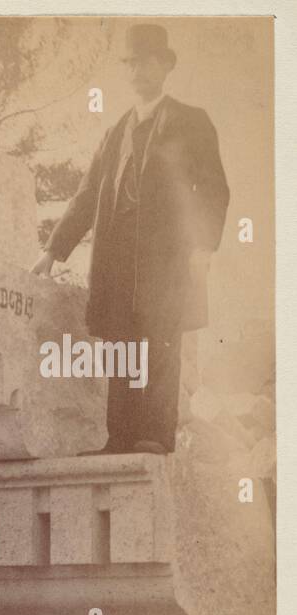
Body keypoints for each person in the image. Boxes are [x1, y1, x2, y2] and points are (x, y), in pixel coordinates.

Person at [33, 23, 229, 454]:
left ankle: (156, 437)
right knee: (121, 345)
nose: (140, 70)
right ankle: (119, 438)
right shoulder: (115, 132)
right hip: (118, 260)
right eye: (131, 63)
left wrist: (201, 247)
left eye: (148, 61)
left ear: (165, 66)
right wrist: (53, 250)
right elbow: (86, 197)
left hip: (168, 260)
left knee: (160, 342)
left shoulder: (190, 121)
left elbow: (213, 189)